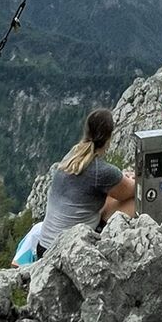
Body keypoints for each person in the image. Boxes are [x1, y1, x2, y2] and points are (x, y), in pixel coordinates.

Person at [36, 108, 135, 257]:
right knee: (136, 199)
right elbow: (134, 189)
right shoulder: (100, 171)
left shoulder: (72, 156)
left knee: (109, 195)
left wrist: (120, 177)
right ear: (109, 137)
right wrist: (131, 178)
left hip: (43, 246)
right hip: (66, 252)